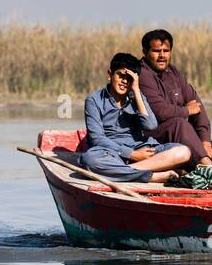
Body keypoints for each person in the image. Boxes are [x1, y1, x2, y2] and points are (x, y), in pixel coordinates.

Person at [79, 53, 192, 182]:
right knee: (89, 159)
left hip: (144, 151)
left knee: (183, 152)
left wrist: (137, 91)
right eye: (121, 76)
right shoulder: (94, 100)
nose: (125, 82)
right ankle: (151, 176)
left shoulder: (137, 97)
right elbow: (97, 139)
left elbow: (151, 125)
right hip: (112, 153)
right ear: (110, 74)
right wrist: (131, 154)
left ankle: (125, 171)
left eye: (129, 78)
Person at [138, 29, 212, 169]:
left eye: (166, 51)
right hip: (151, 137)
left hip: (177, 137)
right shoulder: (142, 74)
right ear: (145, 52)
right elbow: (160, 112)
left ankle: (187, 171)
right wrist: (186, 110)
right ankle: (208, 169)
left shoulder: (173, 73)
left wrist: (205, 142)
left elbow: (197, 106)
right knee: (180, 124)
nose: (162, 56)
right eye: (156, 51)